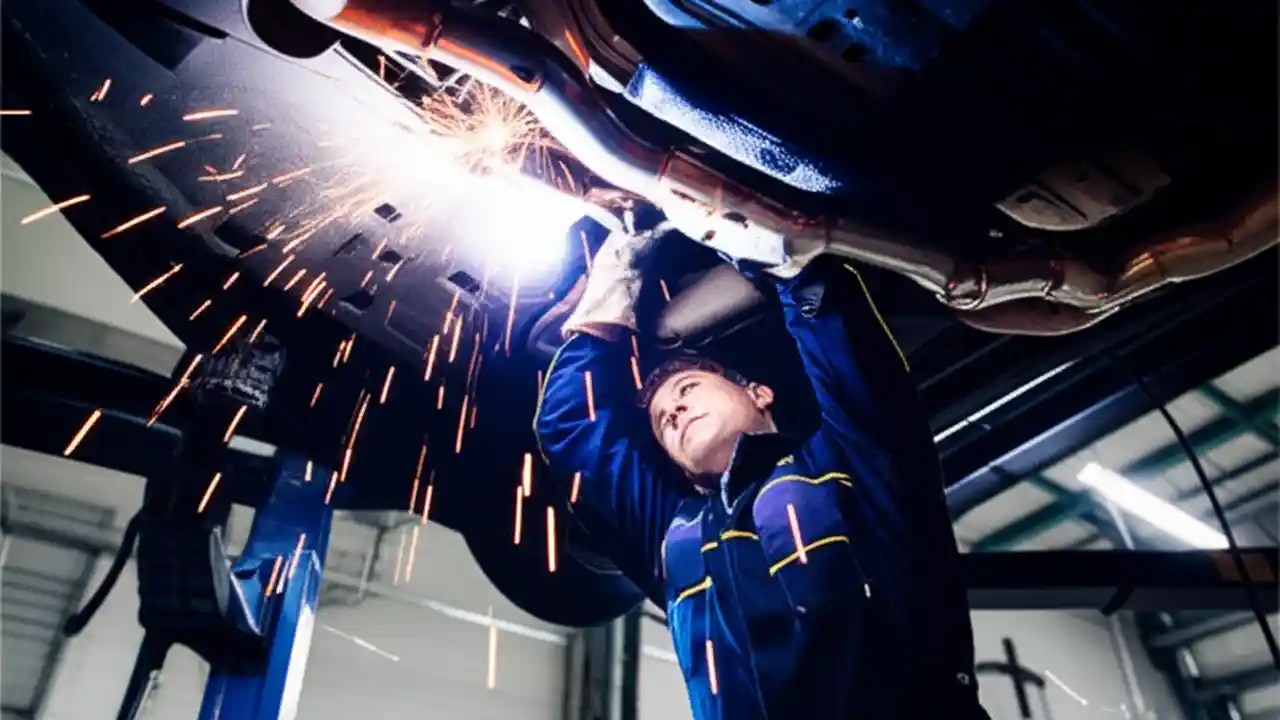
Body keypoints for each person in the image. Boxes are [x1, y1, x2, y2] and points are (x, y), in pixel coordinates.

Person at [534, 225, 989, 719]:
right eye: (663, 421)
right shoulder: (672, 537)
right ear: (678, 467)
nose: (675, 412)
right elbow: (571, 427)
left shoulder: (849, 460)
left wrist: (756, 234)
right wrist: (611, 286)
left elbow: (835, 328)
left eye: (688, 389)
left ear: (759, 392)